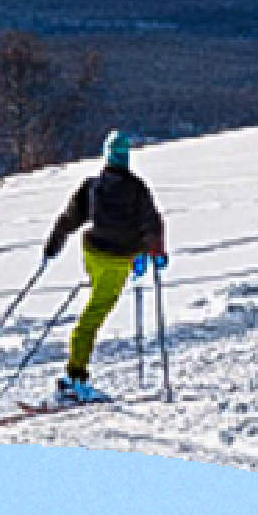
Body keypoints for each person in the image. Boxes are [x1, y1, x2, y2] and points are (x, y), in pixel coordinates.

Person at [44, 130, 165, 405]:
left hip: (93, 253)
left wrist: (53, 246)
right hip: (118, 260)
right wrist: (154, 251)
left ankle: (75, 375)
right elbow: (151, 223)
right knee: (94, 313)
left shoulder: (93, 186)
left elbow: (68, 218)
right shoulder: (136, 188)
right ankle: (74, 377)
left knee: (97, 299)